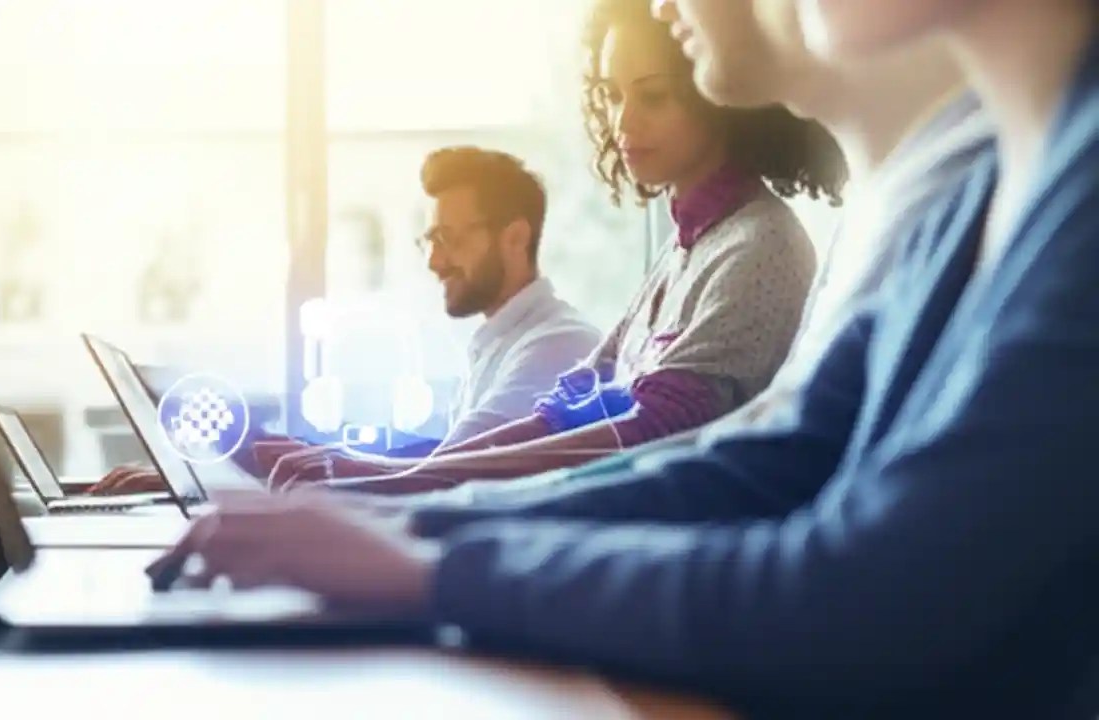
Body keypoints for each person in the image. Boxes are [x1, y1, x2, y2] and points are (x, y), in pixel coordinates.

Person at [147, 0, 1099, 715]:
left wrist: (430, 557)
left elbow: (866, 591)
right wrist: (414, 515)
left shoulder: (1032, 197)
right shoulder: (988, 181)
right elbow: (777, 460)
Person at [262, 0, 845, 491]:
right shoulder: (687, 246)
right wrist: (388, 475)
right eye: (612, 95)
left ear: (715, 96)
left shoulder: (760, 243)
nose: (623, 122)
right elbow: (559, 419)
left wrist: (398, 482)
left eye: (653, 96)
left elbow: (648, 431)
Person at [90, 147, 601, 493]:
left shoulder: (557, 346)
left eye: (450, 238)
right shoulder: (501, 341)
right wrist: (213, 475)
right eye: (432, 239)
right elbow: (422, 460)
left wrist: (241, 470)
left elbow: (443, 470)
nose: (434, 261)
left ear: (515, 237)